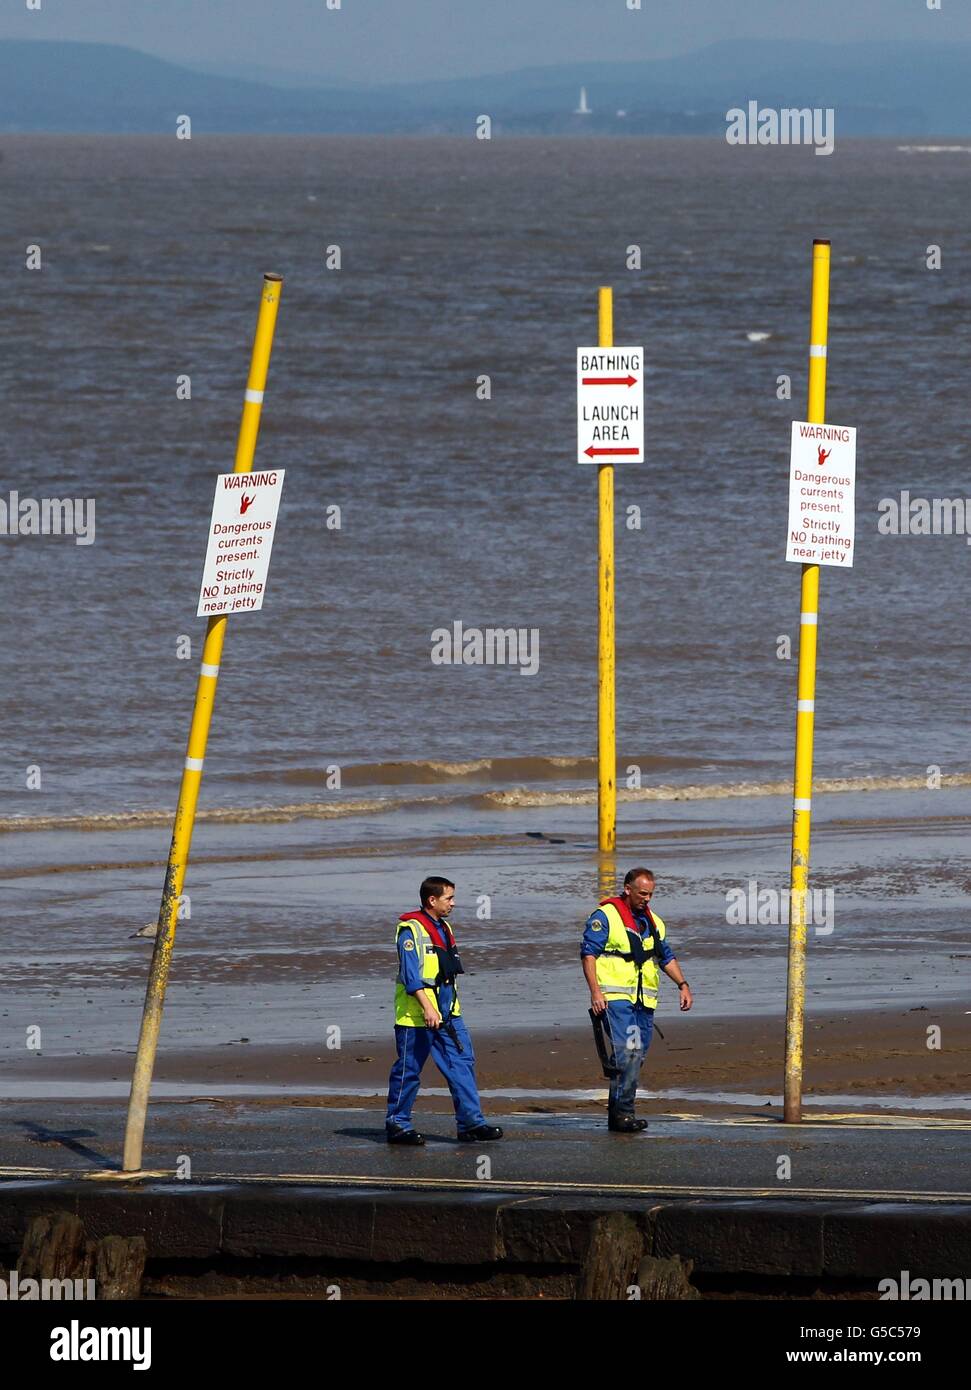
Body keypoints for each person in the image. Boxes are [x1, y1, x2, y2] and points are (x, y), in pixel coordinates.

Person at [385, 875, 503, 1146]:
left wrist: (445, 1010)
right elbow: (411, 977)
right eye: (449, 898)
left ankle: (471, 1123)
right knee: (409, 1070)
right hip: (416, 1016)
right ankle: (397, 1125)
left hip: (448, 1014)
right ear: (432, 900)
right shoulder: (410, 930)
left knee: (462, 1064)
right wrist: (428, 1008)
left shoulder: (445, 927)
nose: (453, 903)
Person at [581, 867, 692, 1132]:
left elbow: (666, 956)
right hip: (615, 997)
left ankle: (617, 1114)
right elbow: (588, 955)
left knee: (635, 1056)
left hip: (644, 999)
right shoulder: (605, 916)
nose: (647, 899)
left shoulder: (654, 921)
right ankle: (624, 1115)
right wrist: (596, 992)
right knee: (628, 1053)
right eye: (643, 893)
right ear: (627, 889)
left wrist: (683, 984)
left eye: (651, 894)